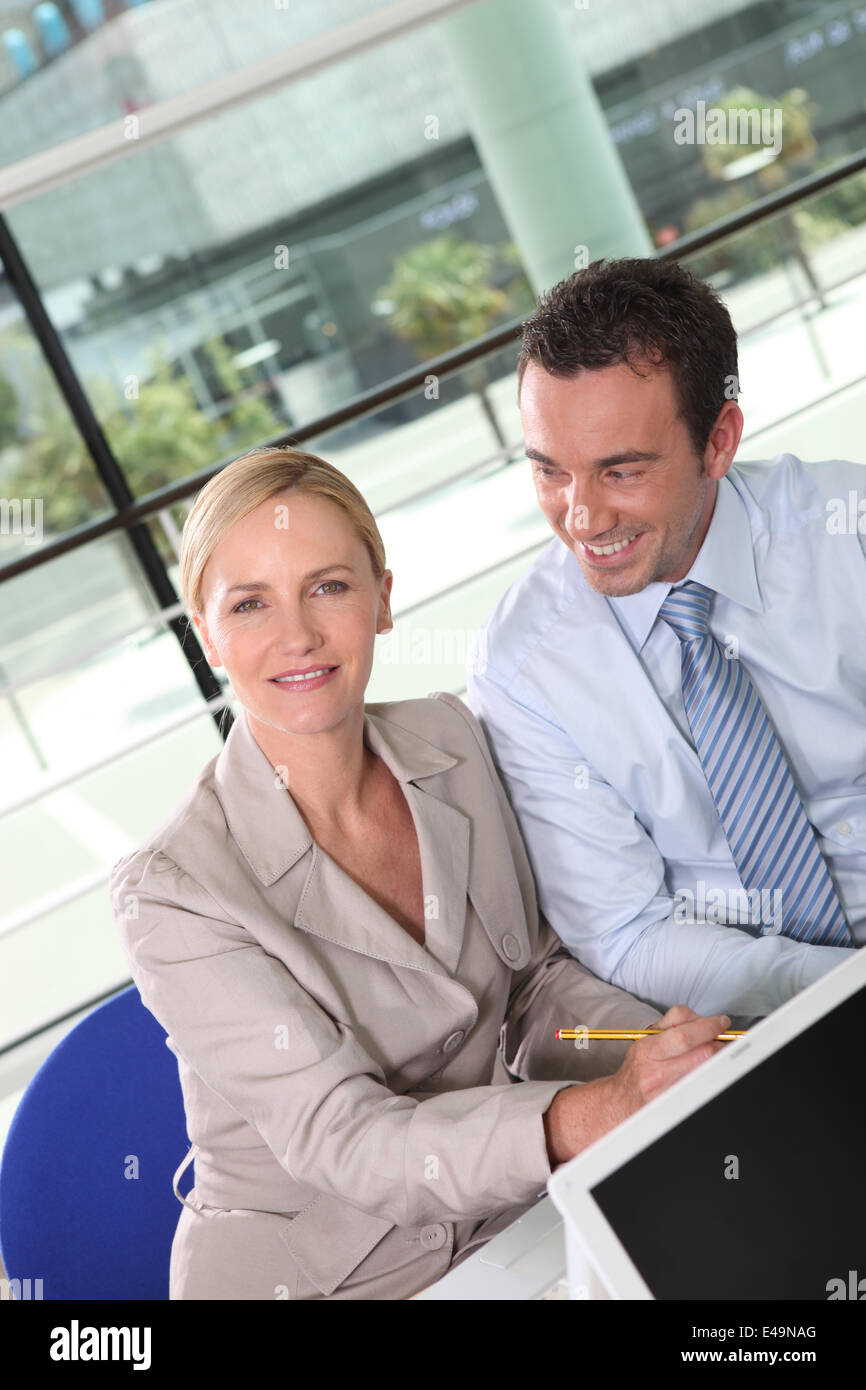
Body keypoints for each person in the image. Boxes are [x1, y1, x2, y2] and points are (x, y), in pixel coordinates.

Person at [109, 445, 728, 1301]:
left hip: (509, 1220)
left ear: (383, 599)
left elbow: (535, 988)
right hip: (327, 1280)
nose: (298, 635)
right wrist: (593, 1114)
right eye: (250, 604)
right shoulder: (173, 890)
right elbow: (348, 1139)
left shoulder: (451, 740)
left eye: (328, 586)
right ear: (206, 636)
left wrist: (664, 1051)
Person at [467, 256, 865, 1027]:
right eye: (550, 471)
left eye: (620, 471)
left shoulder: (847, 531)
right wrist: (833, 995)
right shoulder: (524, 666)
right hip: (758, 1025)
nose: (581, 518)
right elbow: (626, 928)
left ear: (719, 441)